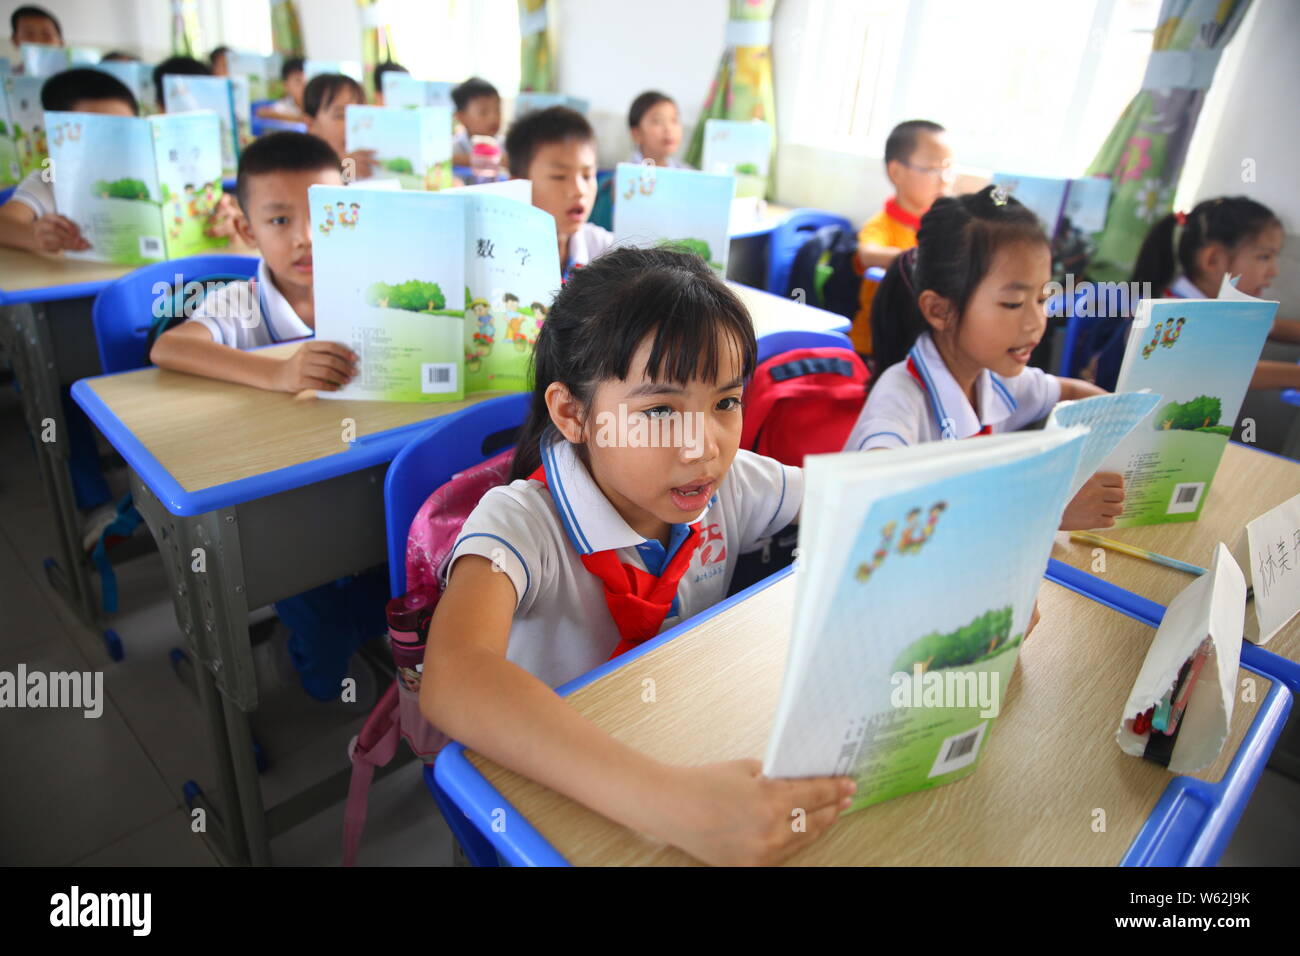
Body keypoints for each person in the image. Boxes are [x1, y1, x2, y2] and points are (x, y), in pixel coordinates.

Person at [421, 246, 855, 865]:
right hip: (552, 795)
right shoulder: (519, 523)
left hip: (678, 746)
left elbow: (863, 504)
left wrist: (978, 570)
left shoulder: (729, 484)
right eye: (659, 411)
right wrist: (673, 806)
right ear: (573, 414)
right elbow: (453, 676)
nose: (703, 447)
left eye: (726, 403)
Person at [848, 185, 1123, 531]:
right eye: (1012, 304)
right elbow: (879, 509)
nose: (1036, 322)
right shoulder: (900, 400)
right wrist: (1046, 506)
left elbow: (1071, 393)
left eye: (1041, 299)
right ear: (940, 310)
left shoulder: (993, 379)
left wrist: (1139, 431)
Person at [149, 131, 357, 394]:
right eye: (280, 220)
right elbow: (169, 347)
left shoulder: (363, 289)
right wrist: (279, 373)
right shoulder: (239, 304)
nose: (306, 238)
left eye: (324, 214)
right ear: (248, 232)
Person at [1083, 196, 1300, 392]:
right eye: (1264, 257)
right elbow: (1222, 370)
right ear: (1212, 260)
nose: (1274, 271)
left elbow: (1275, 327)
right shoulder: (1171, 315)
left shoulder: (1223, 308)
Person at [0, 68, 137, 253]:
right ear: (56, 137)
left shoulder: (146, 178)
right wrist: (35, 235)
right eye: (92, 135)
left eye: (120, 133)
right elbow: (4, 224)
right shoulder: (48, 183)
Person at [851, 120, 952, 357]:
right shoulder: (881, 225)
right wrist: (923, 258)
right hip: (875, 348)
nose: (945, 179)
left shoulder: (944, 227)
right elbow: (867, 255)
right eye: (934, 169)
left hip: (924, 346)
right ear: (896, 172)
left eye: (949, 169)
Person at [505, 105, 612, 276]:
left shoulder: (603, 249)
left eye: (587, 175)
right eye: (559, 176)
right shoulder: (501, 255)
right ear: (519, 184)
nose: (579, 191)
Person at [302, 73, 377, 180]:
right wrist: (343, 172)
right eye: (341, 115)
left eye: (361, 114)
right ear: (310, 124)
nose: (354, 123)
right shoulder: (300, 169)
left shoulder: (374, 160)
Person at [451, 76, 501, 167]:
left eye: (497, 110)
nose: (493, 118)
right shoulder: (454, 149)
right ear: (461, 117)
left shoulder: (505, 146)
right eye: (483, 112)